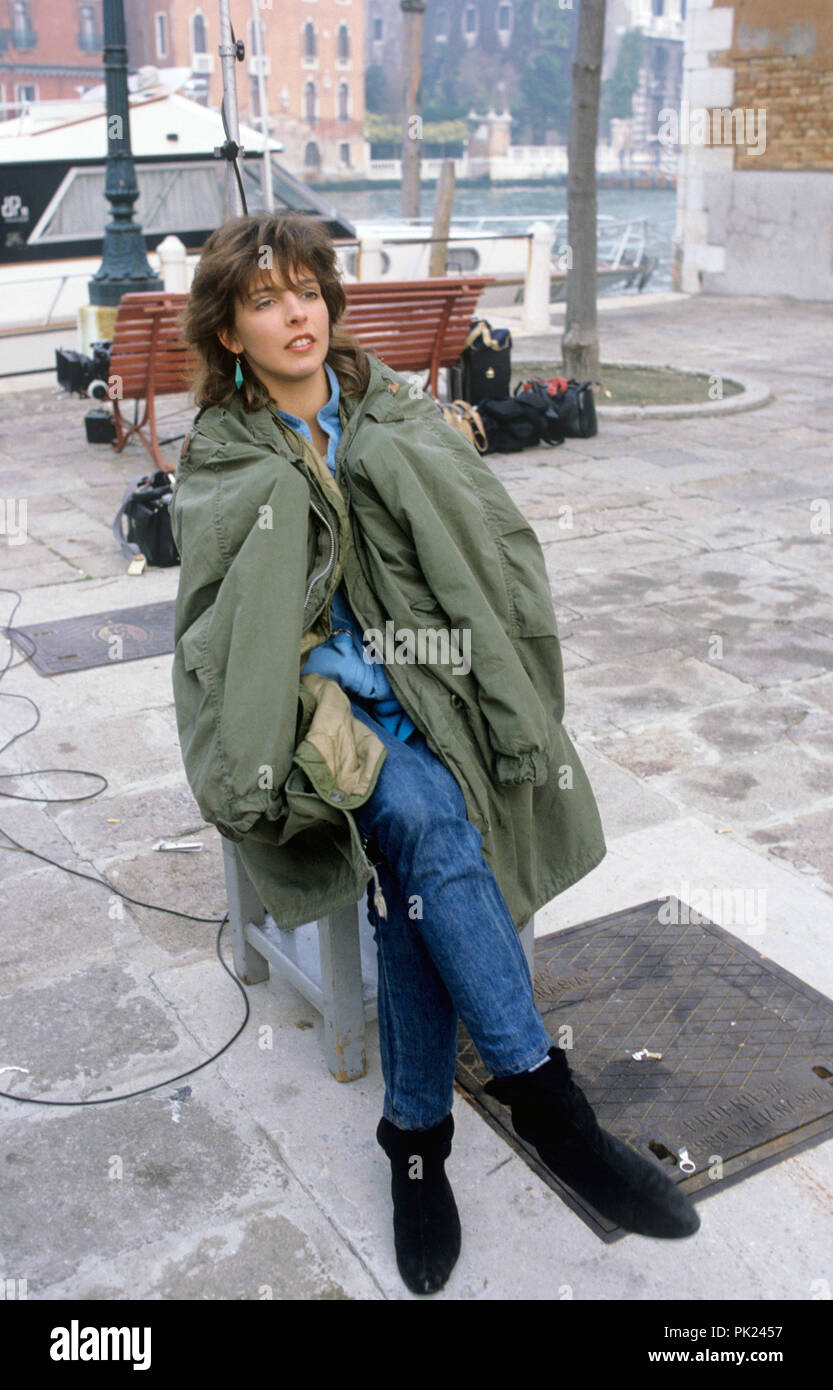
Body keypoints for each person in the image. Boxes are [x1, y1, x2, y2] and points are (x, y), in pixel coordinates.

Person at [171, 213, 700, 1298]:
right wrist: (344, 654)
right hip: (322, 715)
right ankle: (547, 1101)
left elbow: (476, 547)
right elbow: (237, 622)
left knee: (413, 882)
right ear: (229, 330)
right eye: (266, 299)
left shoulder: (390, 411)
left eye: (307, 289)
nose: (296, 312)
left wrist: (408, 473)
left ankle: (414, 1141)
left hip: (439, 677)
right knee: (418, 819)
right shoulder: (226, 455)